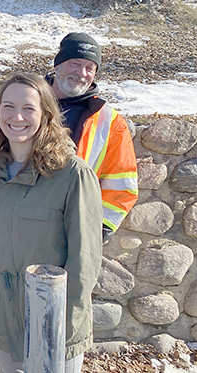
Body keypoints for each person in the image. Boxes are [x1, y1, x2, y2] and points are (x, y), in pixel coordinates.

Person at [0, 72, 103, 373]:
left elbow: (84, 261)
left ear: (46, 114)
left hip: (52, 320)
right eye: (8, 107)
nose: (16, 116)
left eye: (28, 108)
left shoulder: (72, 175)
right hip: (3, 318)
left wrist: (59, 323)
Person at [47, 32, 138, 240]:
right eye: (75, 63)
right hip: (21, 221)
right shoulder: (26, 101)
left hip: (73, 229)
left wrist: (98, 230)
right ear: (57, 65)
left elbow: (122, 185)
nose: (81, 73)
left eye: (90, 67)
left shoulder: (110, 121)